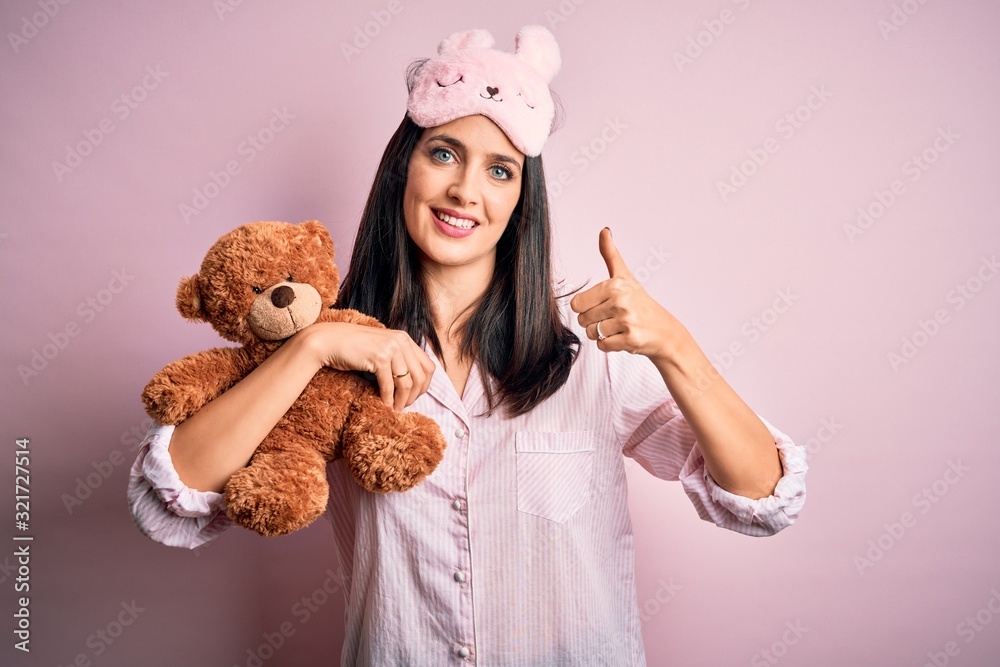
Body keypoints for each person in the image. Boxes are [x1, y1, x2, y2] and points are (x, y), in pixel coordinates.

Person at [127, 24, 807, 666]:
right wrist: (309, 349)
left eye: (500, 170)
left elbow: (761, 495)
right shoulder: (338, 348)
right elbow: (173, 493)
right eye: (444, 153)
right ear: (405, 168)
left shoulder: (593, 344)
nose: (464, 190)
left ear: (522, 201)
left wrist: (677, 347)